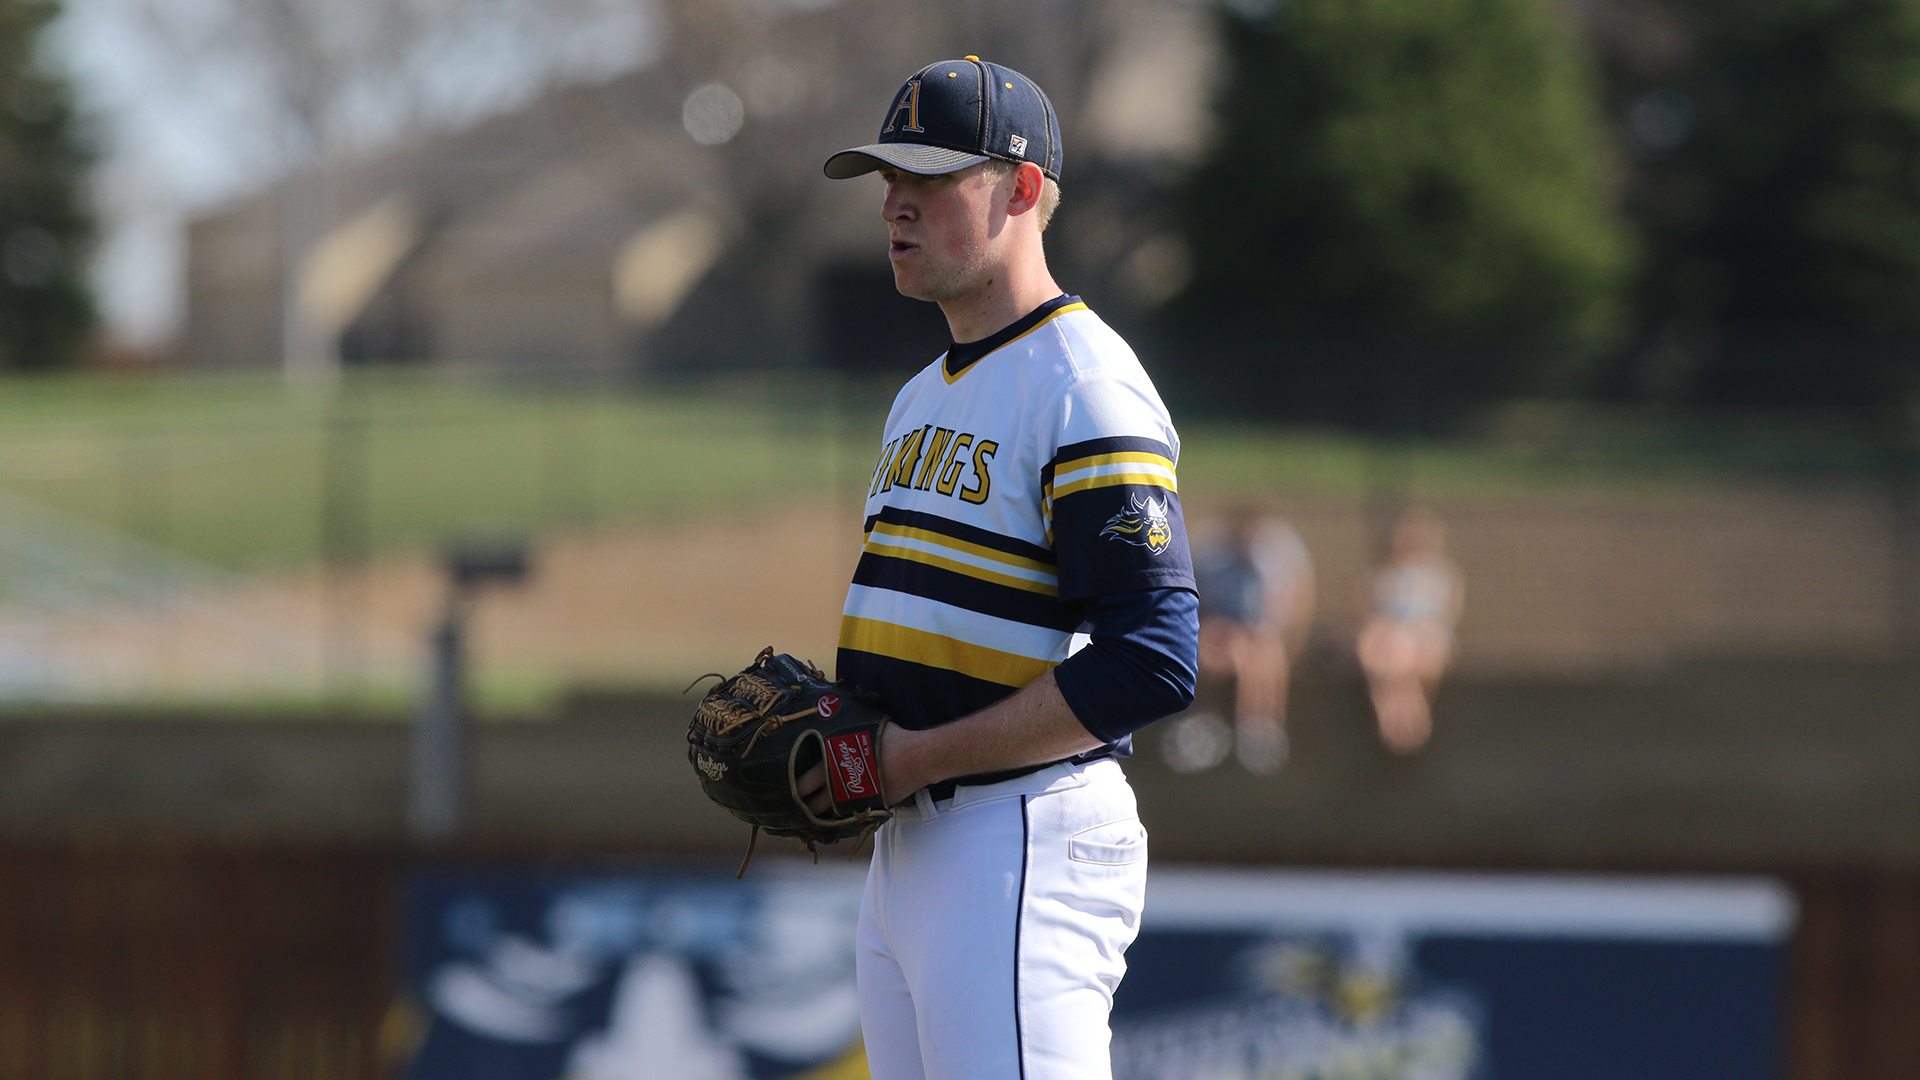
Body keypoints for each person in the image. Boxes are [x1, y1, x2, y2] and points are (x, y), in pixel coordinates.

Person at [795, 57, 1199, 1080]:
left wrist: (907, 759)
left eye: (929, 179)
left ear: (1022, 190)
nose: (895, 203)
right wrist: (851, 733)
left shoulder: (1084, 384)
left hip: (1020, 833)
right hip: (919, 849)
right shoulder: (921, 393)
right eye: (888, 180)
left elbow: (1153, 659)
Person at [1192, 514, 1315, 773]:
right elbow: (1205, 606)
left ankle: (1261, 726)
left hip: (1262, 637)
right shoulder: (1215, 565)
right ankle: (1202, 721)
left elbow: (1278, 616)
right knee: (1207, 649)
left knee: (1264, 655)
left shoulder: (1271, 571)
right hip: (1227, 634)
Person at [1356, 508, 1462, 754]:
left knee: (1401, 655)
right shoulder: (1379, 576)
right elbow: (1366, 613)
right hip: (1390, 640)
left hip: (1420, 639)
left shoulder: (1441, 575)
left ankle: (1399, 720)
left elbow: (1448, 615)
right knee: (1393, 651)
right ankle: (1406, 721)